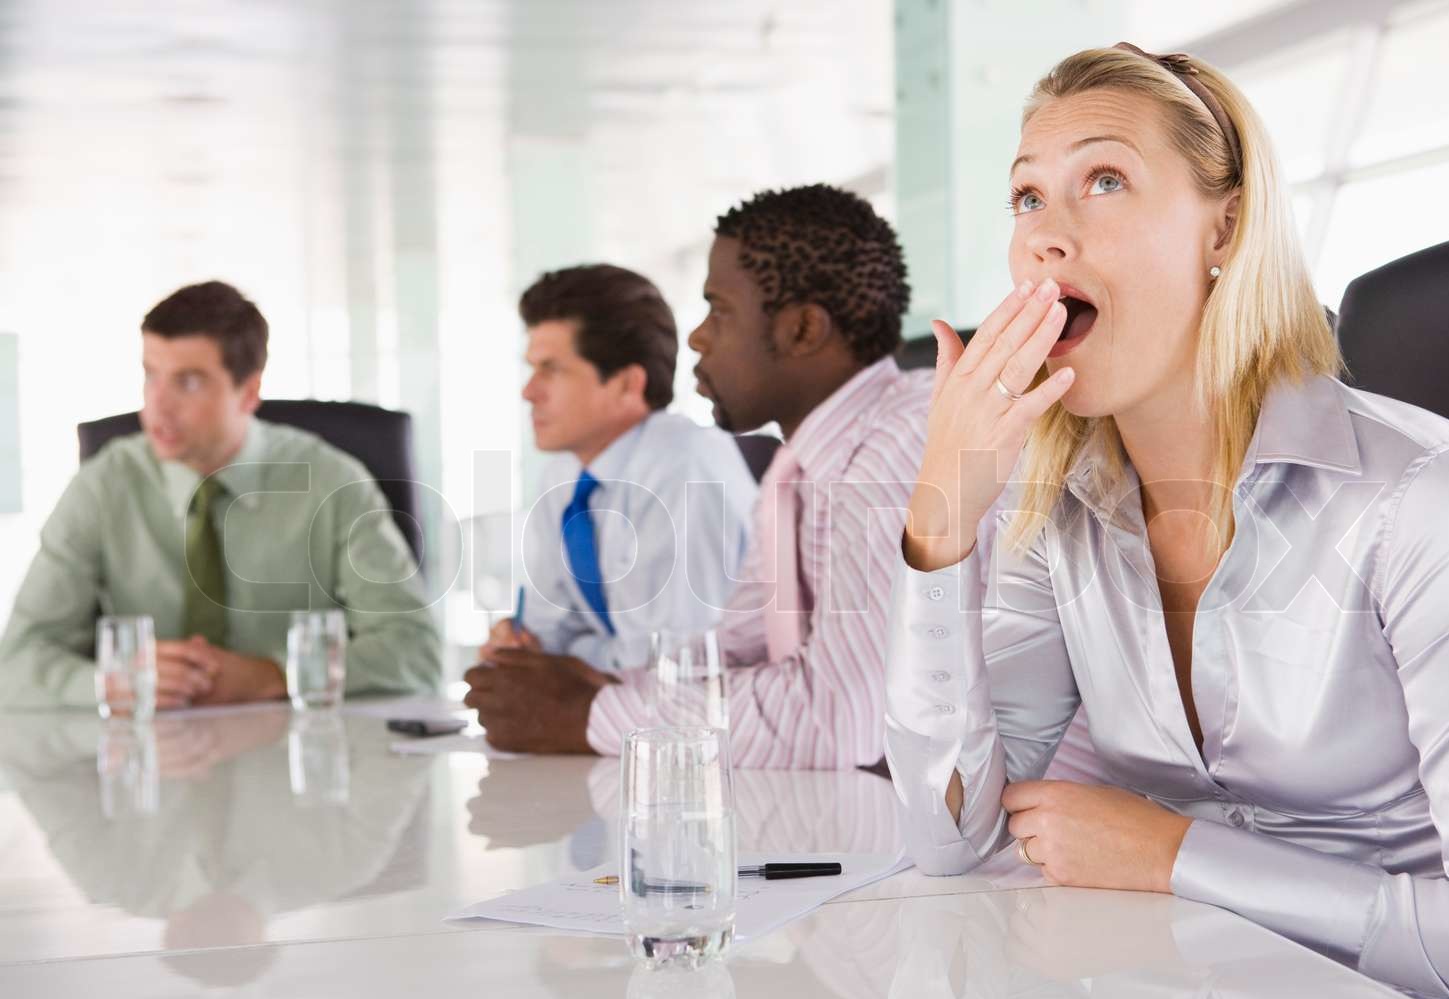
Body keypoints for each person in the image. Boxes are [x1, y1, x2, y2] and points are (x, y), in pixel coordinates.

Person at [884, 43, 1449, 999]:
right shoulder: (1063, 509)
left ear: (1227, 224)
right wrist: (942, 518)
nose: (1045, 233)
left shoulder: (1421, 494)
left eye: (1103, 179)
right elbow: (945, 836)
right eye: (1027, 197)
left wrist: (1174, 853)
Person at [466, 184, 929, 768]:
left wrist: (588, 714)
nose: (696, 337)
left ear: (803, 331)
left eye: (719, 310)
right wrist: (597, 685)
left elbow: (843, 717)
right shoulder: (798, 470)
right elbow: (730, 651)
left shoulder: (901, 445)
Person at [0, 281, 441, 708]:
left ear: (249, 392)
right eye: (151, 375)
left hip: (297, 760)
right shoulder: (103, 485)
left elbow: (416, 652)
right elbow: (17, 662)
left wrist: (275, 675)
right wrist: (111, 683)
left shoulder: (334, 482)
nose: (157, 406)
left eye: (188, 383)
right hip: (151, 763)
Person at [477, 264, 756, 672]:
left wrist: (563, 663)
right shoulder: (565, 475)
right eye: (531, 368)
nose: (528, 392)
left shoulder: (684, 468)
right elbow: (546, 634)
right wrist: (518, 643)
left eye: (550, 370)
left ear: (627, 384)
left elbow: (669, 665)